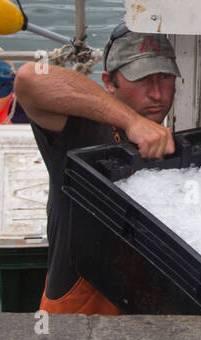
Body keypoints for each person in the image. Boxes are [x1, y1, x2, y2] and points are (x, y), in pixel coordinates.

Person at [13, 26, 178, 315]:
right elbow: (29, 77)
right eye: (141, 78)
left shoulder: (172, 142)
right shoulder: (81, 129)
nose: (156, 93)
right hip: (78, 311)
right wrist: (131, 122)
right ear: (109, 82)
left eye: (164, 77)